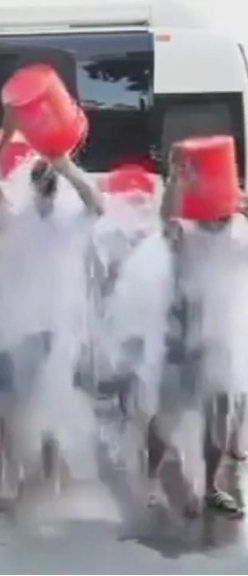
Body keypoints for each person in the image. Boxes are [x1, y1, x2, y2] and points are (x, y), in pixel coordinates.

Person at [0, 108, 103, 498]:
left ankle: (49, 476)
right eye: (42, 181)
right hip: (19, 323)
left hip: (57, 325)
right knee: (14, 400)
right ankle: (13, 470)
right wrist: (7, 136)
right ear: (33, 187)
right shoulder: (16, 216)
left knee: (53, 399)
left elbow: (95, 202)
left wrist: (63, 164)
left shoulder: (70, 220)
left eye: (50, 182)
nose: (46, 188)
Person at [151, 145, 246, 517]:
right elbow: (166, 220)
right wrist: (178, 179)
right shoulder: (186, 231)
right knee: (167, 414)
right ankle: (150, 480)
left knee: (219, 417)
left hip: (224, 339)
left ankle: (210, 488)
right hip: (184, 334)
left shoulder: (241, 231)